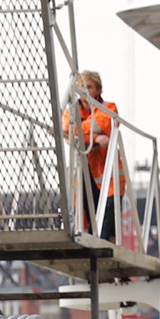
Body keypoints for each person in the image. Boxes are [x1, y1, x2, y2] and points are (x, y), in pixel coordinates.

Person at [63, 70, 119, 227]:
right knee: (88, 216)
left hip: (107, 171)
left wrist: (77, 132)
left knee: (107, 219)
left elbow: (102, 124)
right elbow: (67, 130)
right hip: (84, 170)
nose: (84, 91)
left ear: (99, 90)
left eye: (89, 87)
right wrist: (94, 138)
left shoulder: (109, 108)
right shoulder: (71, 111)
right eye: (81, 87)